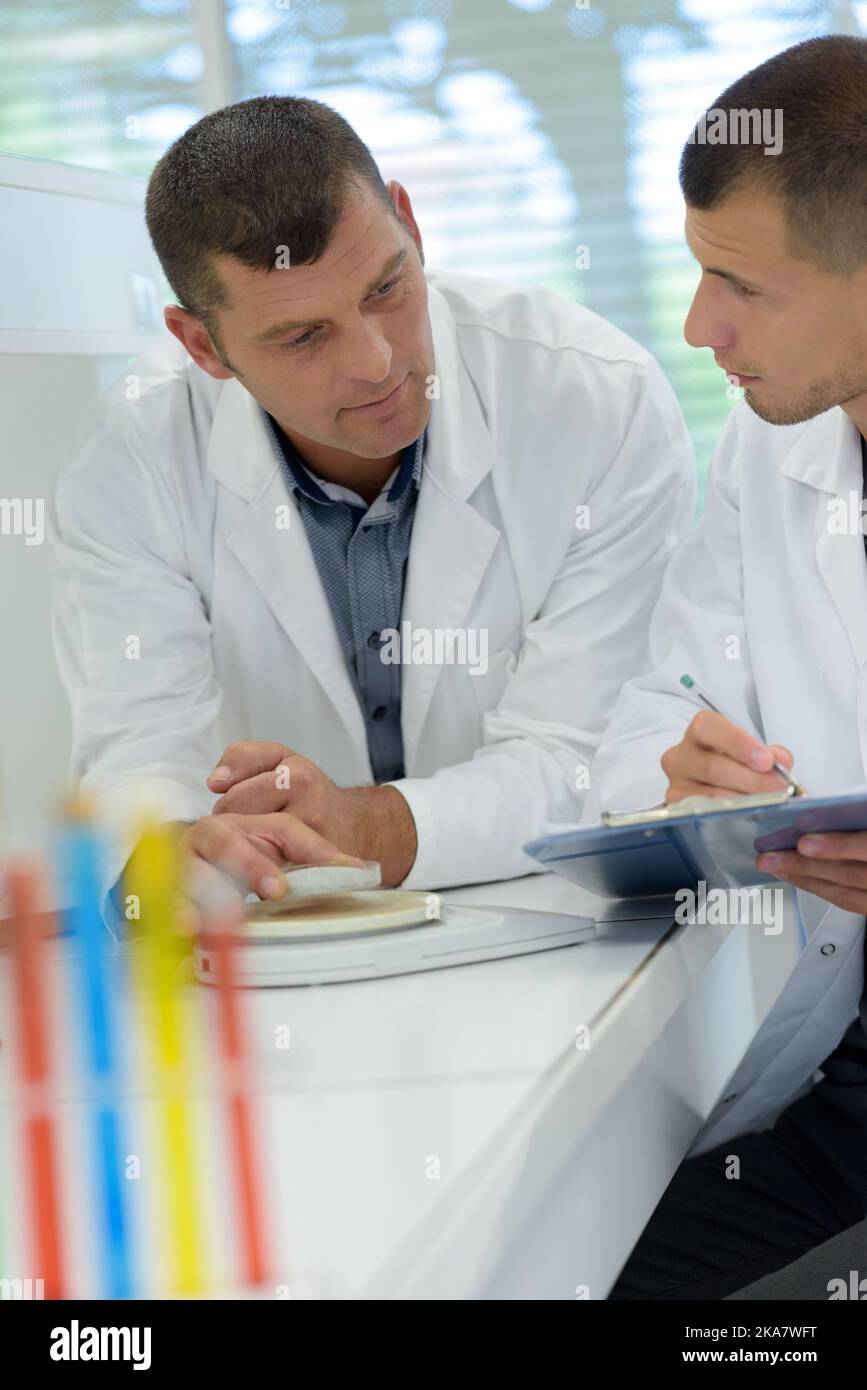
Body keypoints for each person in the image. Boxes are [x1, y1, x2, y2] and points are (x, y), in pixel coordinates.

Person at [47, 94, 694, 917]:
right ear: (202, 345)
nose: (377, 361)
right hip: (287, 940)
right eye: (303, 337)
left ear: (410, 225)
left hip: (554, 918)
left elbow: (587, 758)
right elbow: (134, 752)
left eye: (387, 287)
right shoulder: (132, 452)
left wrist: (364, 827)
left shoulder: (593, 394)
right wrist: (174, 844)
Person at [596, 36, 867, 1299]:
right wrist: (675, 763)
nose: (701, 328)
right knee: (576, 1275)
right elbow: (662, 697)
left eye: (737, 286)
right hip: (842, 1089)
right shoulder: (776, 451)